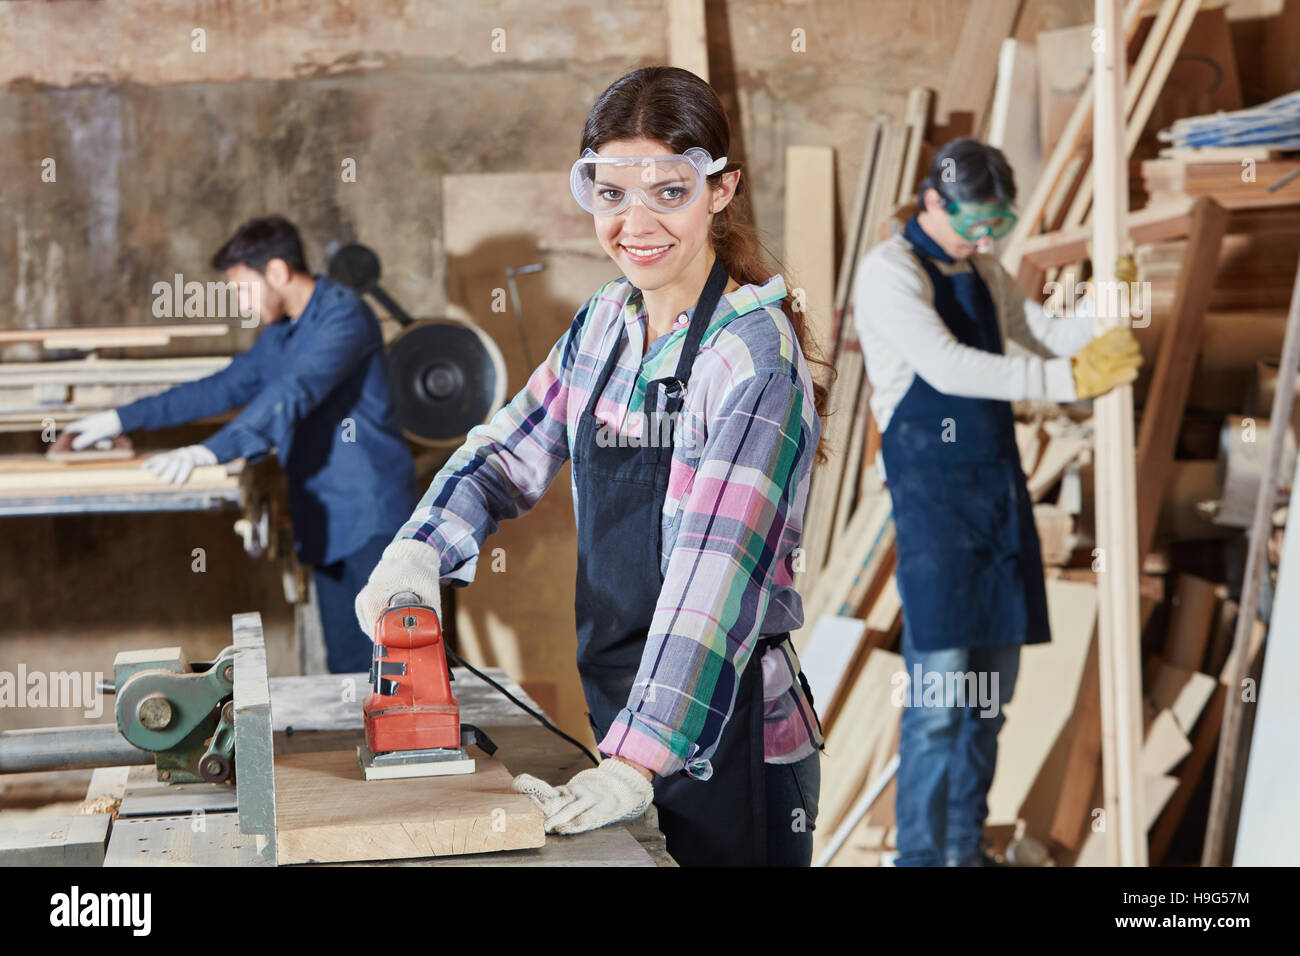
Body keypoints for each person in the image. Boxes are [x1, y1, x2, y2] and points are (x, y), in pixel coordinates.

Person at [355, 66, 827, 867]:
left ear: (721, 190)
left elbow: (710, 591)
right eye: (611, 194)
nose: (635, 223)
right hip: (623, 719)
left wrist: (637, 763)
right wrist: (419, 551)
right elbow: (507, 453)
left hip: (724, 731)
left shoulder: (751, 360)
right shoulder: (606, 323)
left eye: (668, 193)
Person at [854, 138, 1143, 867]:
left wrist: (1113, 315)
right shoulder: (888, 273)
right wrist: (1072, 381)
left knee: (988, 704)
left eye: (997, 222)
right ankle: (920, 860)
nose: (987, 236)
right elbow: (949, 368)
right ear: (932, 202)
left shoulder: (981, 263)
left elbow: (1041, 332)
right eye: (975, 219)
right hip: (936, 514)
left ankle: (963, 853)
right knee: (939, 708)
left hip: (996, 500)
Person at [66, 216, 417, 674]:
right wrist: (119, 417)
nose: (240, 303)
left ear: (276, 272)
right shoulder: (281, 333)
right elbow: (222, 387)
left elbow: (292, 392)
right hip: (326, 523)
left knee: (399, 667)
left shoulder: (344, 315)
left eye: (242, 289)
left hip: (373, 521)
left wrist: (211, 451)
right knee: (349, 670)